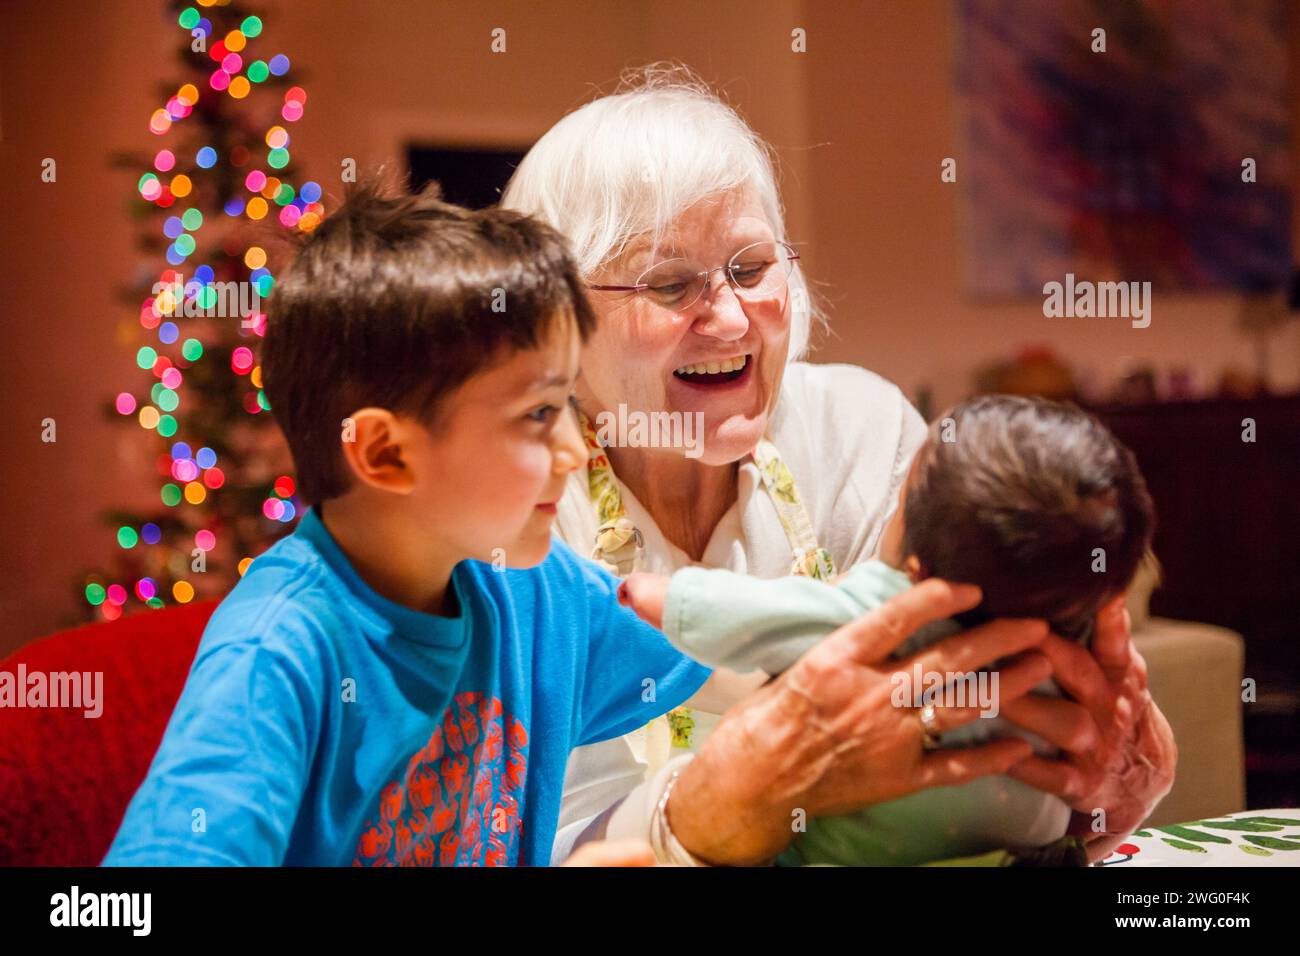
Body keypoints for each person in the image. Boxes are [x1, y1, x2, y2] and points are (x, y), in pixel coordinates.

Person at [499, 63, 1177, 866]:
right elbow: (547, 830)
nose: (726, 316)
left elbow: (999, 692)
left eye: (751, 269)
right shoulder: (520, 498)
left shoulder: (865, 427)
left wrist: (1103, 771)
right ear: (560, 315)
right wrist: (742, 794)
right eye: (670, 283)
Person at [102, 180, 709, 866]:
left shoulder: (537, 595)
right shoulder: (275, 654)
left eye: (570, 402)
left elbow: (731, 657)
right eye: (539, 414)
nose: (576, 449)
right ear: (386, 454)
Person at [619, 395, 1155, 865]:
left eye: (904, 494)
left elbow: (742, 613)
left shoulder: (878, 612)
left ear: (918, 568)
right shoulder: (1069, 636)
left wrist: (660, 597)